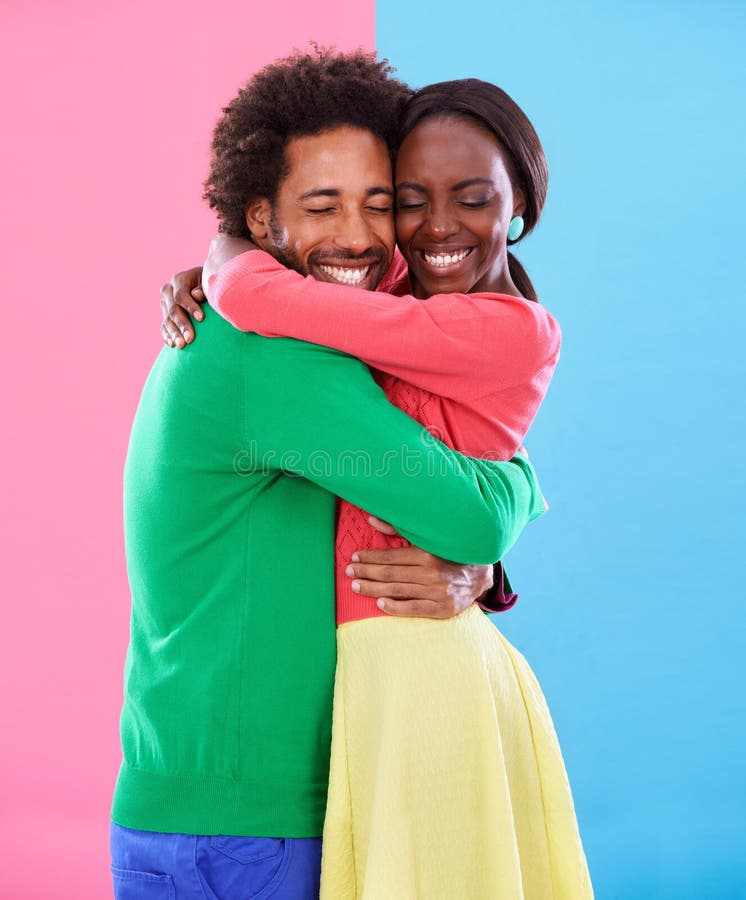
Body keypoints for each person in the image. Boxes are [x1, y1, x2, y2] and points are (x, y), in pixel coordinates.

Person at [112, 50, 547, 900]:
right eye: (322, 206)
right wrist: (506, 516)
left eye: (379, 204)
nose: (358, 235)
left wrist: (225, 258)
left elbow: (410, 433)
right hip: (250, 825)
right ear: (263, 220)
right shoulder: (283, 361)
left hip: (179, 802)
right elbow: (468, 517)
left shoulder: (277, 333)